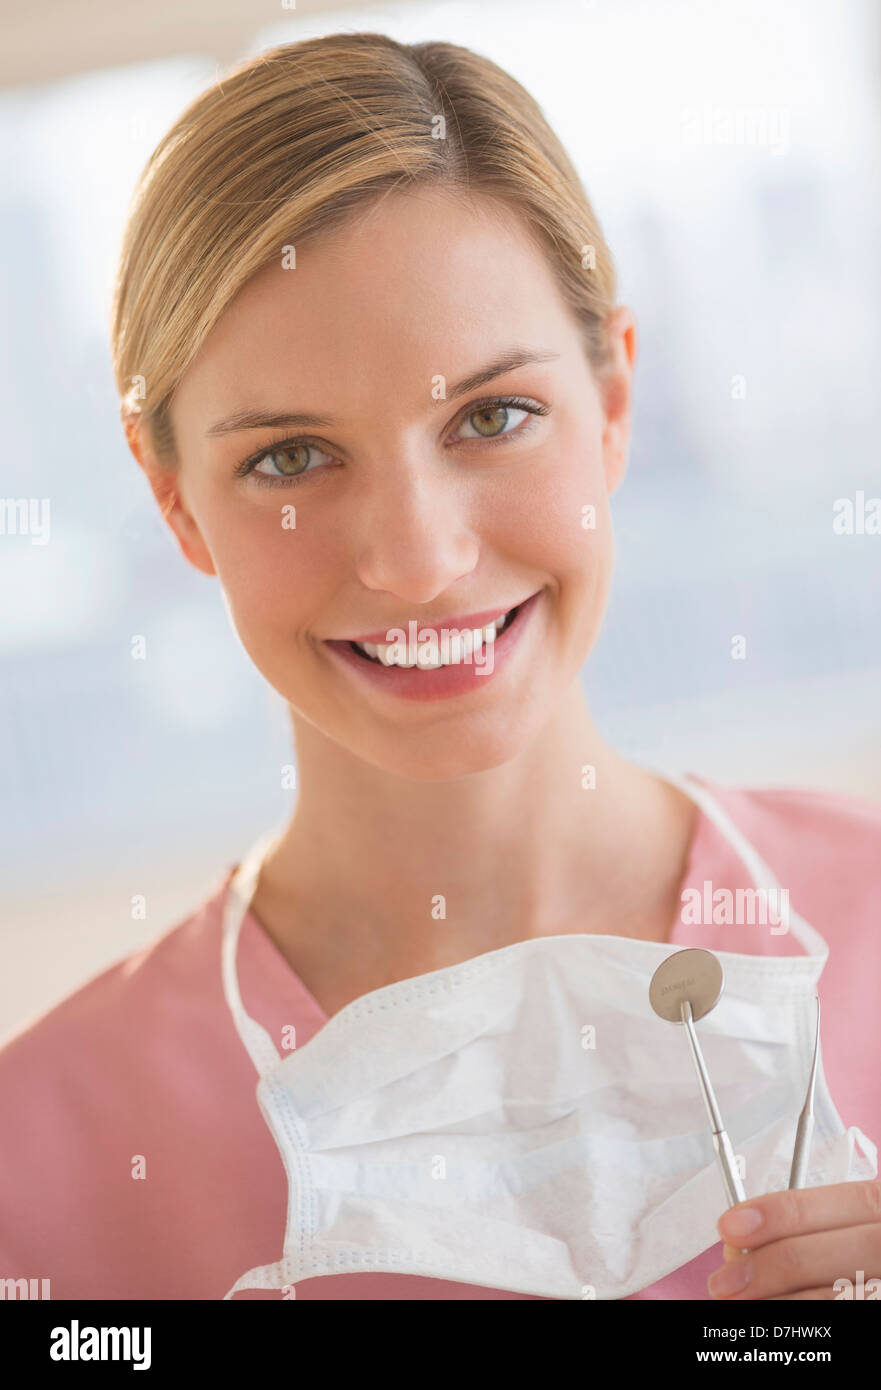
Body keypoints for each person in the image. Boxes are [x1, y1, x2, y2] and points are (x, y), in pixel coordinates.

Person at [0, 33, 878, 1302]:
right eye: (291, 458)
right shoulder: (40, 1169)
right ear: (172, 498)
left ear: (614, 400)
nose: (417, 560)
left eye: (490, 417)